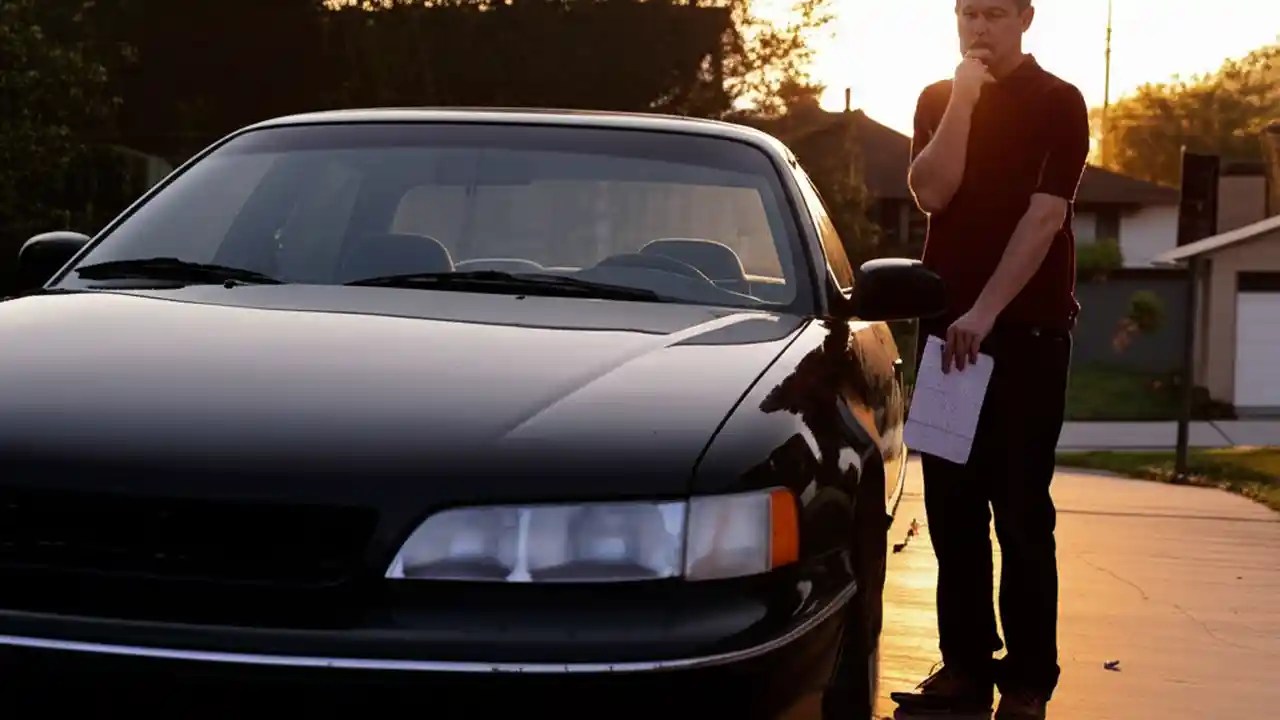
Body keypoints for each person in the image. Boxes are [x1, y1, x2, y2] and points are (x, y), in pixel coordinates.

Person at [888, 1, 1089, 719]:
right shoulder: (940, 100)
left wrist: (987, 311)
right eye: (968, 12)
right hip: (949, 341)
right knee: (951, 509)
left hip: (1027, 337)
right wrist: (965, 101)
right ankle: (964, 666)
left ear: (1025, 19)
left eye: (995, 13)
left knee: (1022, 513)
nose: (980, 26)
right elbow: (932, 191)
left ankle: (1029, 679)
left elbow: (1044, 218)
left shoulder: (1058, 102)